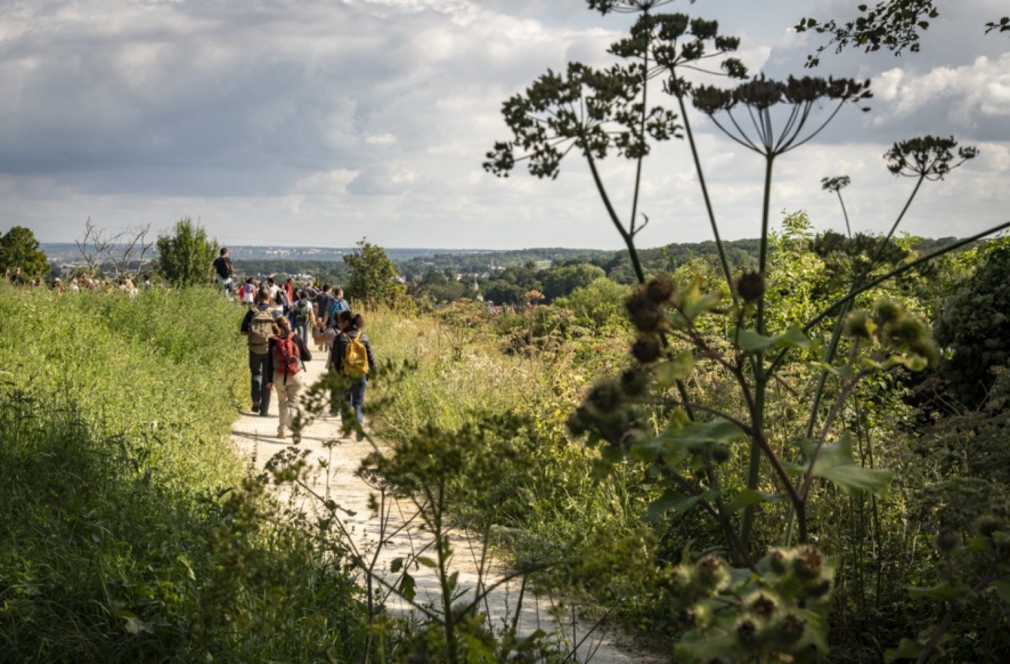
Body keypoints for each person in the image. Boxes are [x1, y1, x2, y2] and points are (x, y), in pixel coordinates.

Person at [266, 316, 312, 440]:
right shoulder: (295, 337)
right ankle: (296, 429)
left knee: (282, 403)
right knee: (294, 403)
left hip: (279, 376)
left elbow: (269, 363)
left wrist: (269, 380)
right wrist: (297, 357)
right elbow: (308, 356)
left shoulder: (273, 340)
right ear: (287, 324)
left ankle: (282, 431)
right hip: (295, 375)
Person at [241, 287, 283, 416]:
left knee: (255, 374)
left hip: (254, 348)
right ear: (269, 298)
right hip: (269, 350)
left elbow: (243, 331)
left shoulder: (252, 312)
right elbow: (281, 332)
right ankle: (264, 410)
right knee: (267, 378)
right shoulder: (275, 313)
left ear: (258, 298)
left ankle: (255, 400)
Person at [330, 311, 376, 425]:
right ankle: (358, 421)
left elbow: (334, 360)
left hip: (344, 374)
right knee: (358, 402)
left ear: (346, 323)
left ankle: (348, 430)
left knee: (345, 402)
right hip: (361, 374)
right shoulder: (363, 337)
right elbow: (370, 358)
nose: (338, 324)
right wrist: (371, 373)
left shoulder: (339, 338)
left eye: (340, 322)